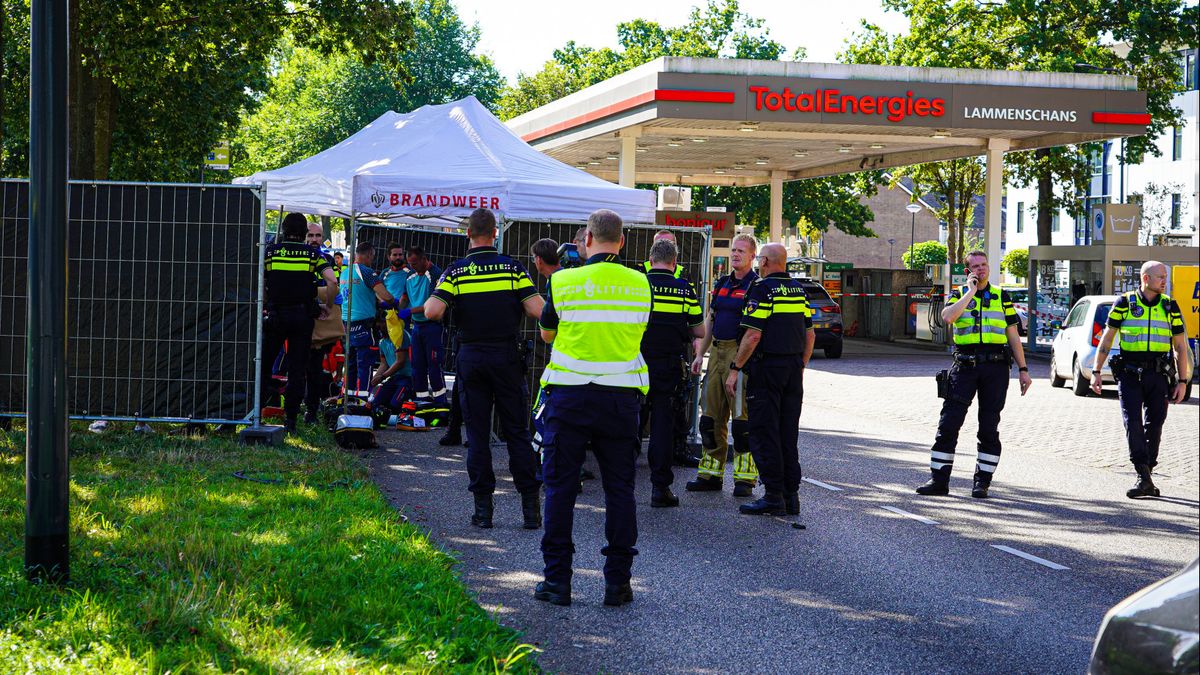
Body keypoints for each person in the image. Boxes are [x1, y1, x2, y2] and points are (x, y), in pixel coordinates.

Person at [534, 208, 651, 608]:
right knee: (620, 490)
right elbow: (637, 330)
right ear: (621, 242)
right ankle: (617, 584)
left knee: (561, 488)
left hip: (569, 395)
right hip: (621, 398)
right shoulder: (641, 284)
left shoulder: (563, 281)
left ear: (586, 240)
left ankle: (557, 582)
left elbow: (547, 333)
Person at [424, 208, 545, 530]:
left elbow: (432, 311)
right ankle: (531, 511)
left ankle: (483, 512)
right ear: (495, 233)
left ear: (467, 234)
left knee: (477, 436)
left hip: (471, 358)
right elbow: (537, 310)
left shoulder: (455, 272)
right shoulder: (512, 269)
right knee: (517, 432)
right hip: (506, 357)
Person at [916, 250, 1032, 499]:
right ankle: (939, 481)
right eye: (976, 266)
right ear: (968, 271)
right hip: (965, 366)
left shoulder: (1002, 296)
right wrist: (970, 292)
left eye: (984, 265)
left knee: (989, 427)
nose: (981, 270)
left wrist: (1023, 370)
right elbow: (947, 317)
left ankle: (982, 483)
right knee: (949, 424)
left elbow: (1013, 334)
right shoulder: (959, 294)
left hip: (996, 368)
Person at [724, 243, 813, 515]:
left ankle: (773, 495)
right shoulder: (799, 291)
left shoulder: (762, 290)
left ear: (763, 261)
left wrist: (735, 367)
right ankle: (791, 495)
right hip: (791, 371)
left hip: (767, 370)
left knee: (764, 431)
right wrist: (800, 365)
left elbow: (753, 335)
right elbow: (810, 335)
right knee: (788, 433)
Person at [1091, 261, 1190, 498]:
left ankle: (1147, 471)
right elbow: (1106, 339)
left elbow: (1180, 346)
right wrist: (1096, 372)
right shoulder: (1125, 303)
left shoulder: (1170, 306)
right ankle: (1143, 474)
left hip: (1158, 374)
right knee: (1132, 421)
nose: (1164, 281)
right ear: (1145, 279)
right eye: (1160, 277)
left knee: (1156, 423)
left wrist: (1183, 380)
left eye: (1165, 277)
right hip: (1130, 373)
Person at [687, 233, 760, 496]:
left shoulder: (756, 286)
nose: (735, 254)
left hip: (739, 355)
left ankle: (744, 479)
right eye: (733, 250)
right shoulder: (721, 284)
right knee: (709, 418)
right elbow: (711, 319)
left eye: (741, 251)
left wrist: (738, 366)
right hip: (717, 352)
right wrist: (699, 354)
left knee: (742, 423)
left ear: (753, 256)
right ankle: (710, 474)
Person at [261, 212, 338, 431]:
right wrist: (328, 306)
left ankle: (257, 411)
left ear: (284, 230)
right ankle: (291, 420)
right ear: (304, 233)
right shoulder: (312, 256)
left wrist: (267, 302)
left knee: (265, 365)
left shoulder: (270, 252)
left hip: (275, 316)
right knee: (297, 370)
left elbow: (260, 279)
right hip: (303, 317)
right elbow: (332, 281)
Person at [643, 238, 705, 508]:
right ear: (675, 262)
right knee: (661, 426)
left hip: (635, 363)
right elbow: (700, 330)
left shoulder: (639, 285)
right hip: (668, 366)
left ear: (651, 258)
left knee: (630, 422)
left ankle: (619, 480)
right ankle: (660, 488)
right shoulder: (684, 289)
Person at [340, 242, 396, 397]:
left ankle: (348, 396)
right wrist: (393, 302)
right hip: (363, 324)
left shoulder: (345, 272)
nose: (372, 260)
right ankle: (363, 397)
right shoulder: (366, 272)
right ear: (369, 255)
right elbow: (385, 296)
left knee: (350, 363)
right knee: (365, 362)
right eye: (372, 257)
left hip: (346, 323)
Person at [396, 246, 447, 405]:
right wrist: (397, 308)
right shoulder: (410, 275)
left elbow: (432, 304)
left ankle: (440, 401)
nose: (413, 267)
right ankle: (421, 399)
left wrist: (410, 311)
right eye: (410, 263)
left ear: (424, 259)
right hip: (416, 326)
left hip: (432, 325)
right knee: (417, 364)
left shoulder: (436, 275)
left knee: (434, 364)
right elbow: (404, 297)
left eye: (415, 263)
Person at [304, 222, 341, 423]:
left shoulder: (326, 259)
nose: (314, 239)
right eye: (310, 235)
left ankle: (312, 408)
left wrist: (317, 297)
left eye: (318, 235)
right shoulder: (300, 255)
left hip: (320, 320)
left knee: (316, 365)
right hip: (299, 318)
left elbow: (334, 292)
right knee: (295, 365)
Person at [368, 317, 413, 412]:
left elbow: (400, 362)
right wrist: (375, 379)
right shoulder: (382, 342)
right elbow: (383, 364)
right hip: (394, 378)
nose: (379, 327)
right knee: (376, 403)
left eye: (381, 323)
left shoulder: (400, 335)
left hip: (408, 377)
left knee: (395, 405)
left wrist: (382, 377)